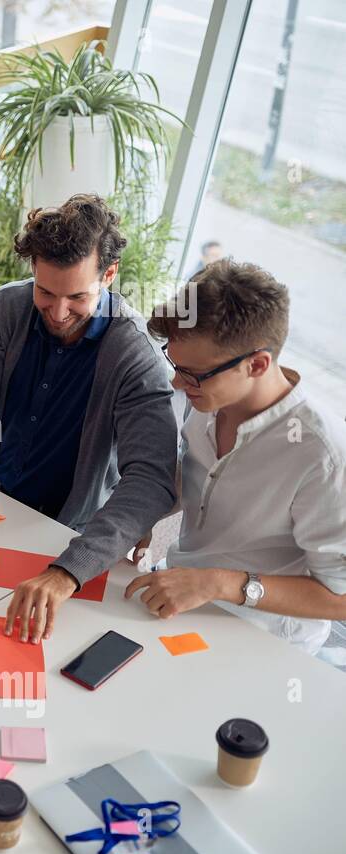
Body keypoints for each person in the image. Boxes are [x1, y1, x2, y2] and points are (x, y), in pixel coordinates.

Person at [0, 194, 177, 643]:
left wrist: (68, 572)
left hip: (72, 536)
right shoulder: (9, 307)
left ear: (109, 274)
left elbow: (151, 480)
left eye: (77, 297)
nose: (58, 313)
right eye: (45, 292)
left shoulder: (136, 355)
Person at [126, 259, 346, 655]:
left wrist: (219, 583)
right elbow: (200, 478)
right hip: (179, 600)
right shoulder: (208, 398)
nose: (177, 382)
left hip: (262, 641)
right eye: (174, 364)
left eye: (191, 373)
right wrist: (147, 512)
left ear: (257, 364)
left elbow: (341, 599)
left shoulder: (323, 454)